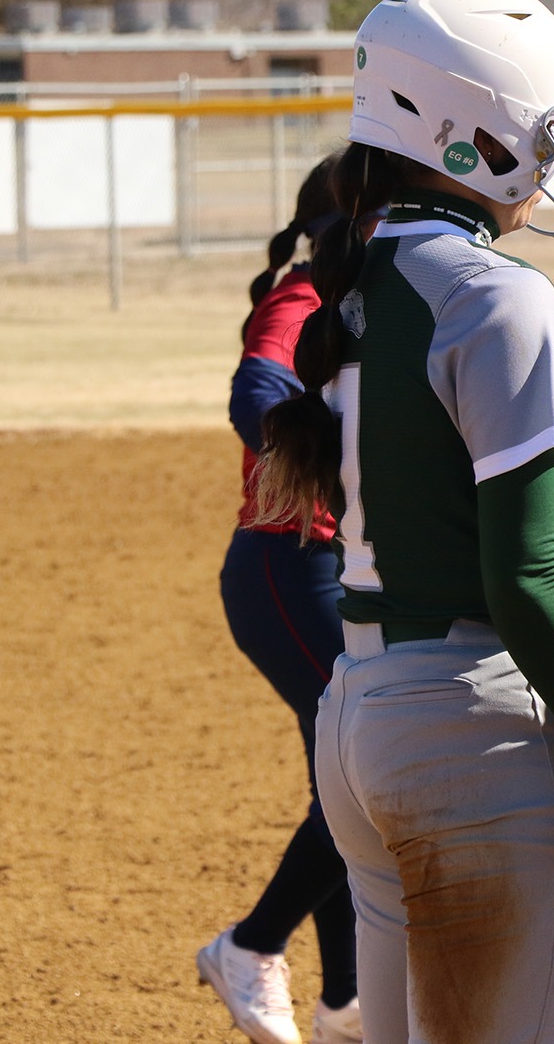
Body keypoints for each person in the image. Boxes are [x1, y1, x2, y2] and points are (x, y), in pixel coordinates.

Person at [250, 0, 554, 1043]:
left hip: (361, 712)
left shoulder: (356, 276)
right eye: (538, 130)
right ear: (463, 130)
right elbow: (527, 568)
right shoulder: (493, 292)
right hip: (473, 725)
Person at [197, 155, 362, 1044]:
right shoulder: (303, 299)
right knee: (360, 768)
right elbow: (256, 389)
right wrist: (324, 449)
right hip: (284, 569)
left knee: (337, 780)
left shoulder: (352, 300)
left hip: (321, 572)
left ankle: (344, 1002)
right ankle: (251, 947)